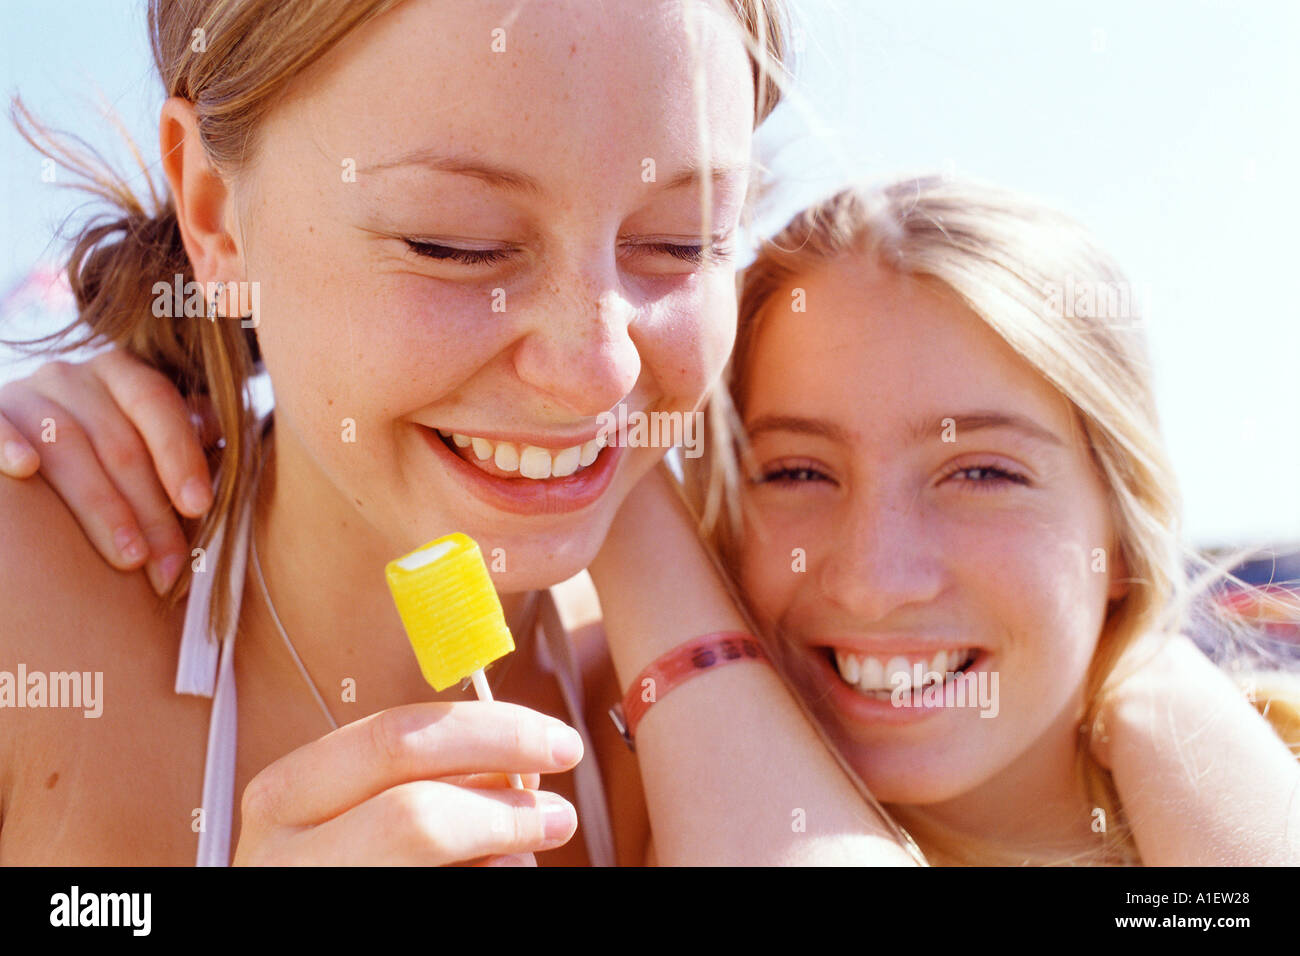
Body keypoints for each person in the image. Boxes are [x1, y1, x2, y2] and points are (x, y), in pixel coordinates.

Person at [0, 0, 920, 866]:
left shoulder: (733, 701)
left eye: (684, 241)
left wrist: (640, 502)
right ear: (215, 212)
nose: (596, 371)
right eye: (456, 243)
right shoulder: (29, 602)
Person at [681, 176, 1300, 864]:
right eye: (798, 471)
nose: (873, 583)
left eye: (982, 473)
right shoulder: (603, 806)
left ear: (1121, 539)